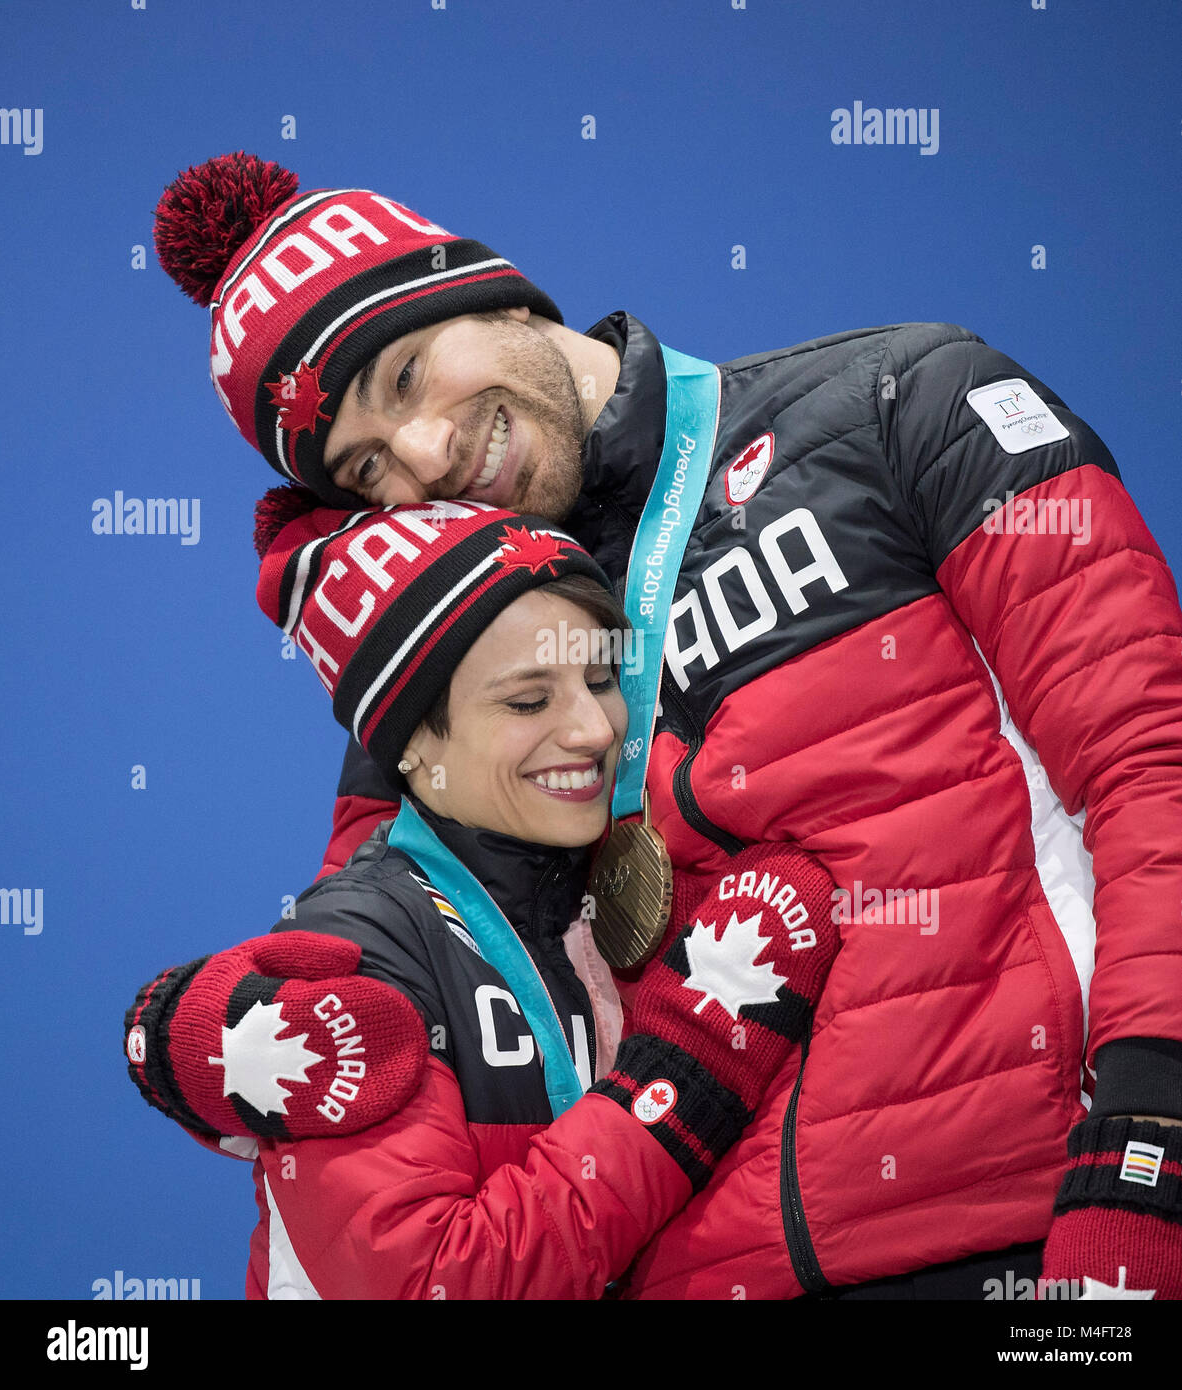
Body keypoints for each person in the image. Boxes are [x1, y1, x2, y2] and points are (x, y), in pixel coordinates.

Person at [140, 152, 1182, 1299]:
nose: (427, 455)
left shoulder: (903, 403)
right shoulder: (440, 666)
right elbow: (378, 990)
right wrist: (211, 1044)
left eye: (405, 377)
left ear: (487, 292)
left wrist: (1147, 1155)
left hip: (1026, 1238)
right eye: (366, 466)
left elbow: (1152, 764)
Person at [124, 498, 840, 1299]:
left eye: (601, 681)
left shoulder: (605, 891)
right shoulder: (359, 950)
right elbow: (432, 1283)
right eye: (527, 702)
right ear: (413, 744)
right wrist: (688, 1070)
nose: (594, 730)